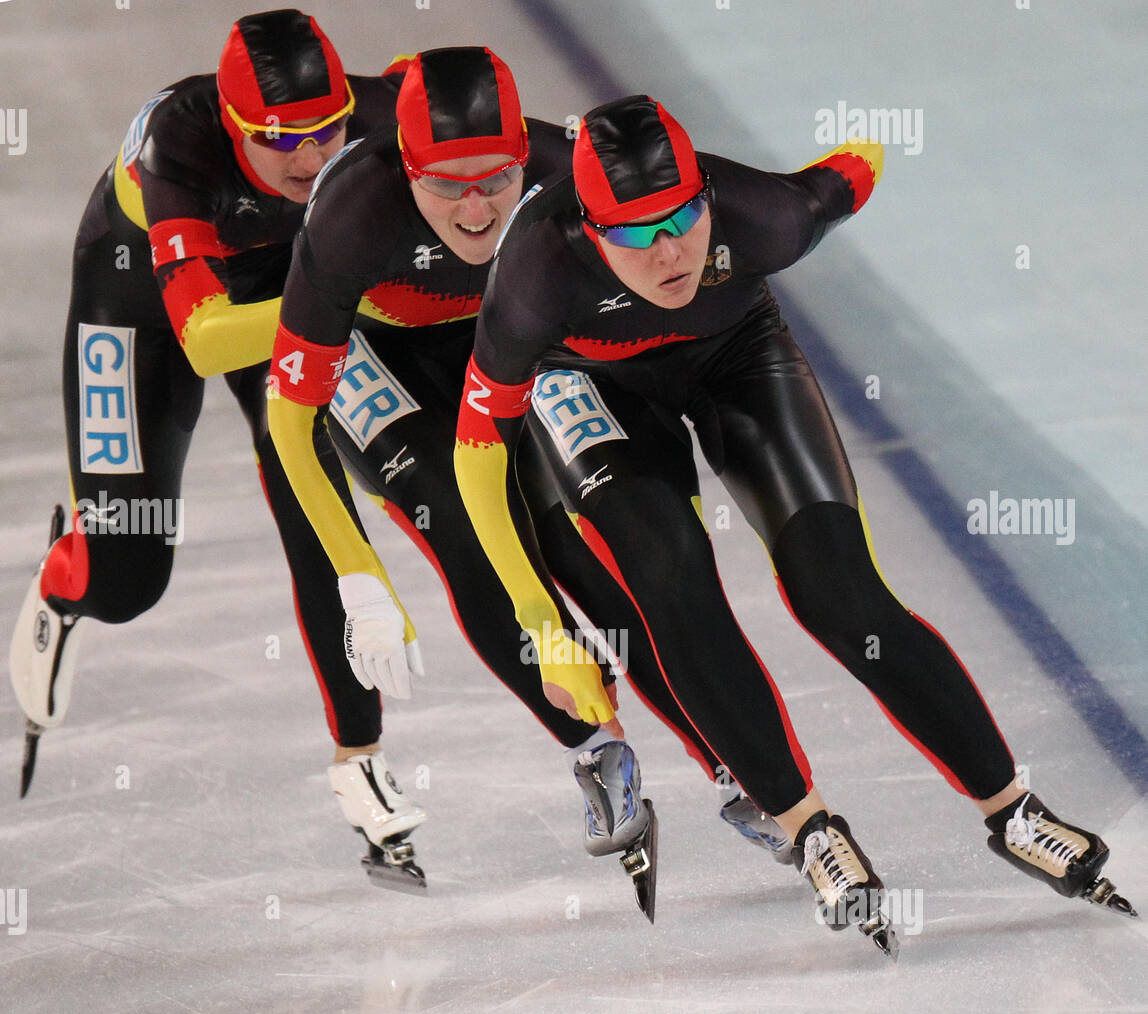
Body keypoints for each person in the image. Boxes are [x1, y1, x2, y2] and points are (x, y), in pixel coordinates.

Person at [452, 93, 1135, 953]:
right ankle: (810, 828)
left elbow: (847, 175)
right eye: (634, 234)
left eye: (682, 218)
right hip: (587, 384)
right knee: (670, 585)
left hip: (738, 355)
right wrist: (541, 624)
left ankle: (1014, 810)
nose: (668, 252)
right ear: (591, 234)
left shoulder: (767, 217)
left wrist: (883, 128)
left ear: (706, 197)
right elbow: (476, 456)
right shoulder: (534, 275)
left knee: (841, 593)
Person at [266, 48, 783, 913]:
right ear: (403, 165)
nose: (474, 209)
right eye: (445, 186)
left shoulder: (562, 176)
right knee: (466, 532)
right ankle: (593, 744)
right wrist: (358, 573)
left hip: (502, 349)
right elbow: (288, 418)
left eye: (495, 179)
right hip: (372, 350)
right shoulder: (355, 211)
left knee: (584, 547)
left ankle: (735, 760)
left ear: (525, 155)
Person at [8, 10, 436, 887]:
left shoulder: (373, 110)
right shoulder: (180, 146)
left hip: (278, 284)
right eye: (281, 140)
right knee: (129, 579)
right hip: (143, 298)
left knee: (311, 490)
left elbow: (451, 106)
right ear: (238, 127)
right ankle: (69, 570)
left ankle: (360, 758)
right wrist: (343, 305)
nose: (313, 159)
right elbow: (203, 341)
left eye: (328, 131)